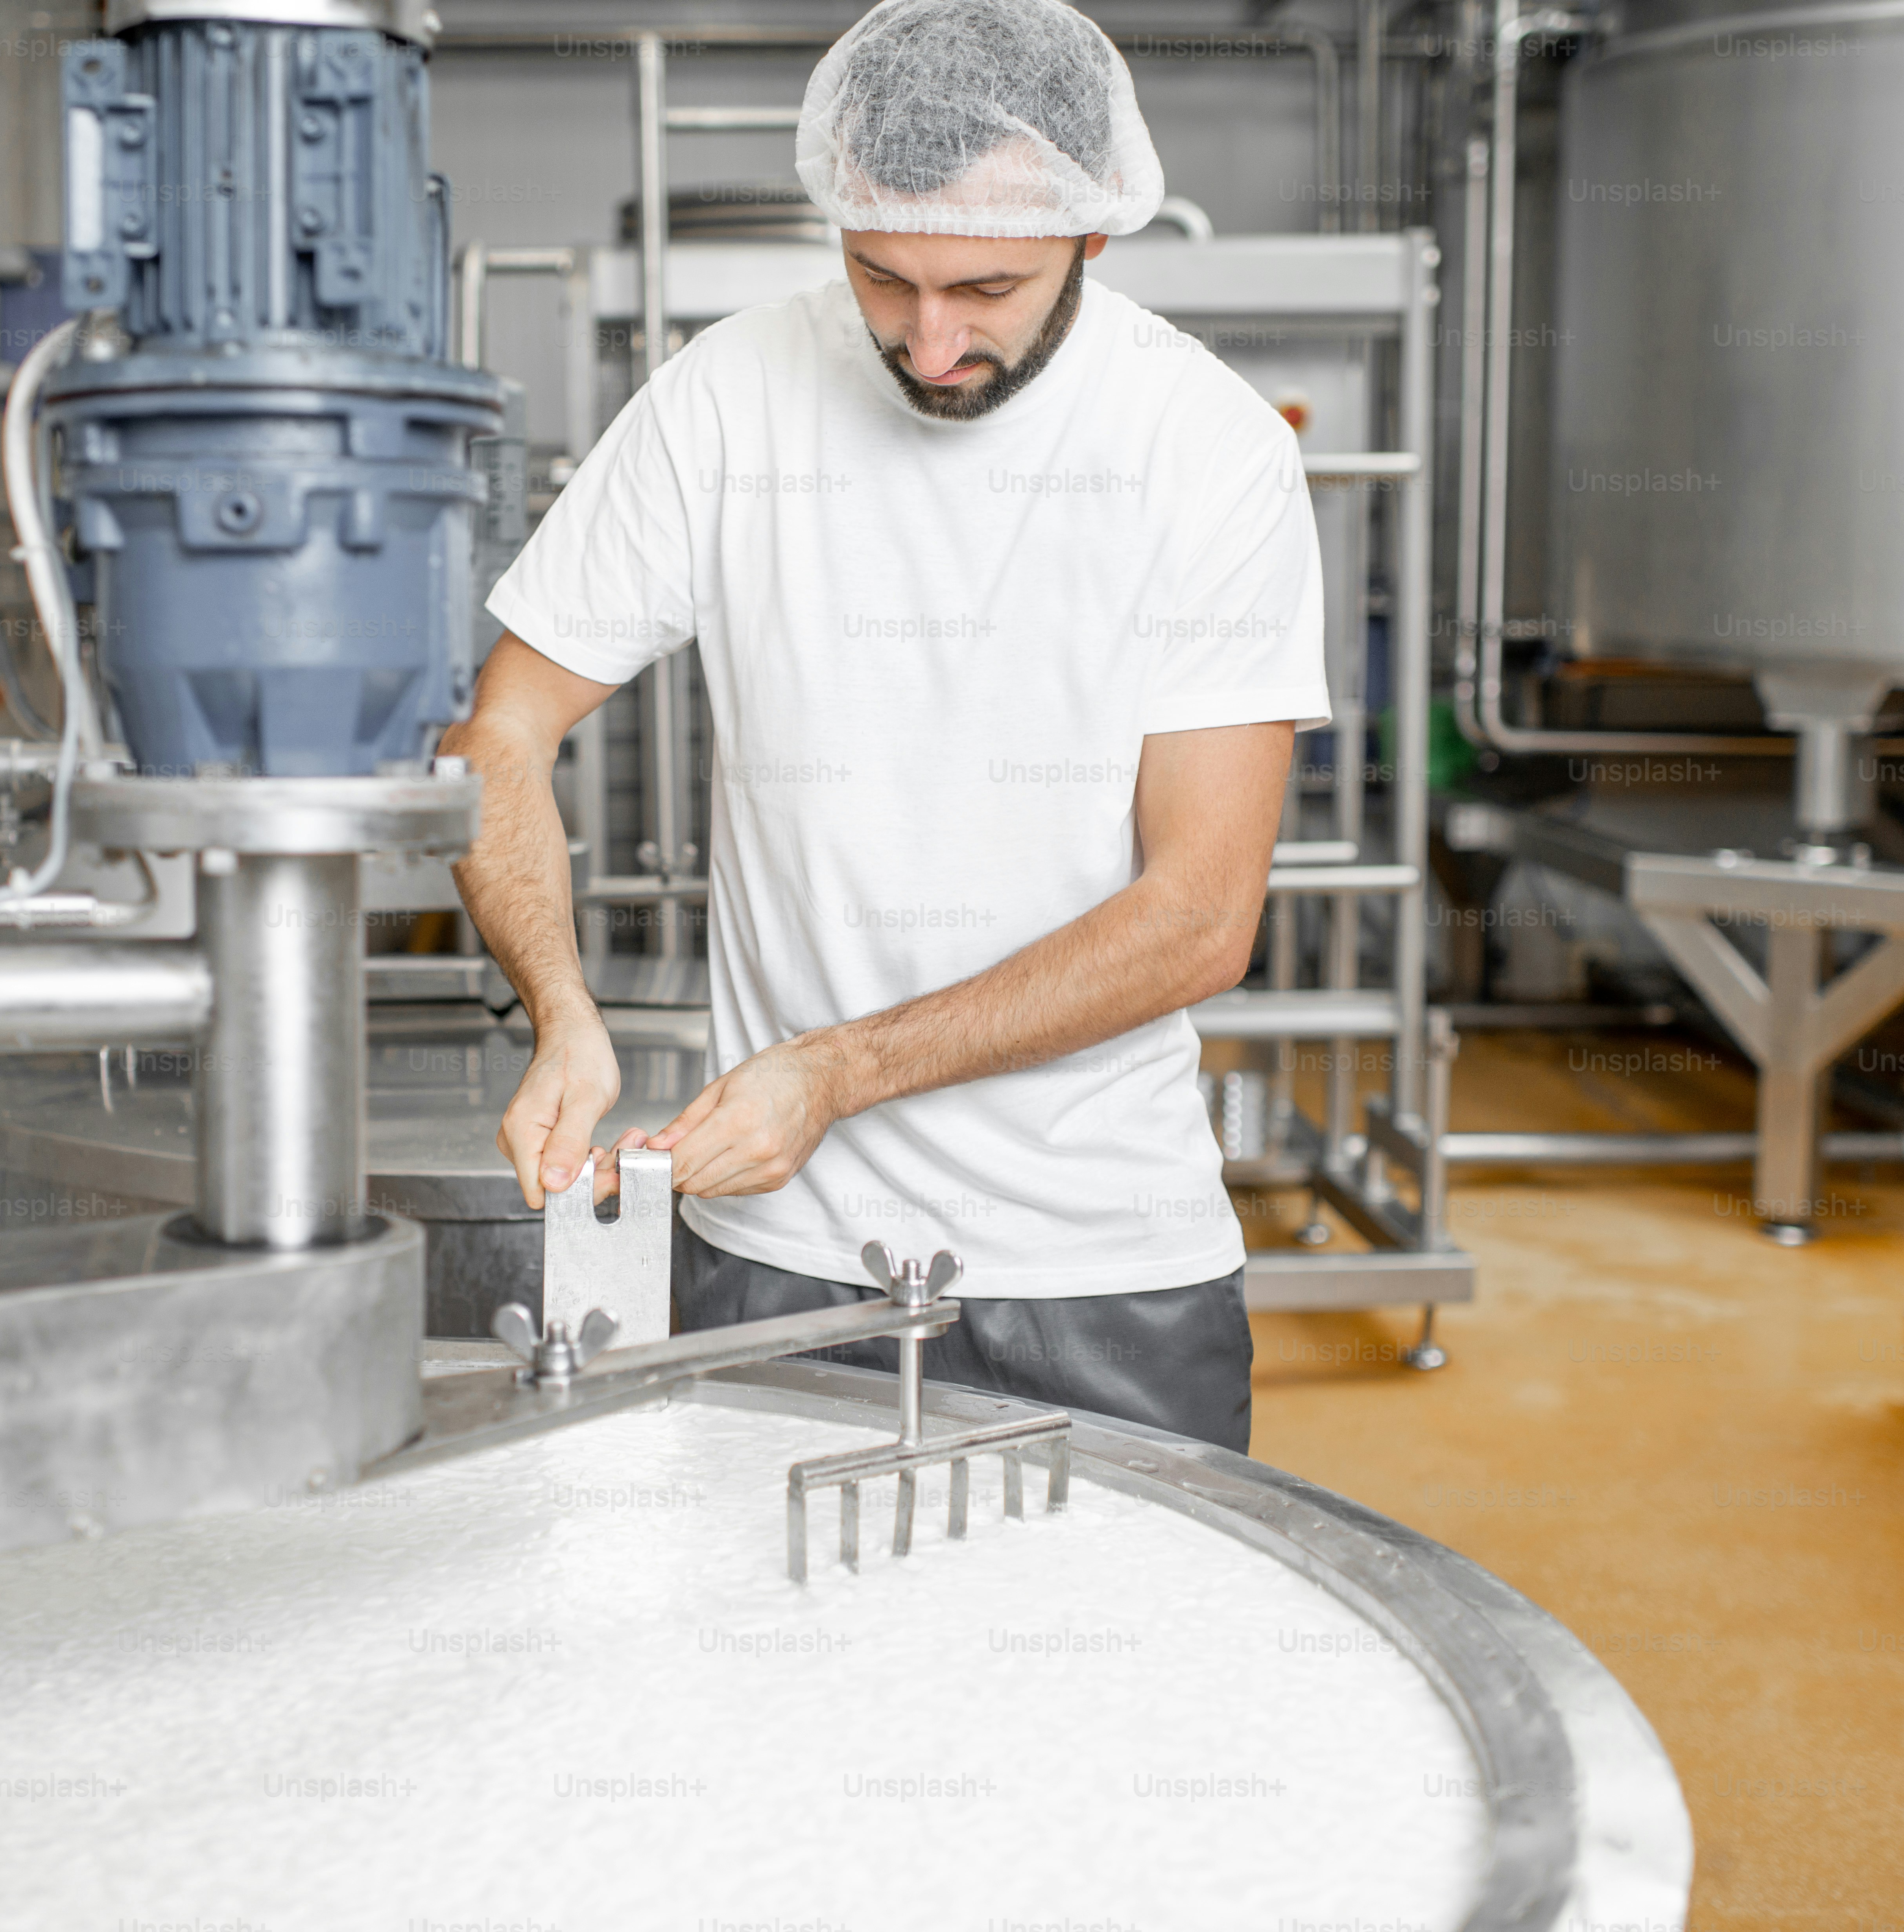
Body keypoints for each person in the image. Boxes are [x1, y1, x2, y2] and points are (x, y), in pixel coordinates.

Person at [439, 0, 1327, 1450]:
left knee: (1127, 1677)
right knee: (761, 1666)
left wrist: (839, 1072)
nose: (929, 340)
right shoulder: (724, 402)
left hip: (1098, 1264)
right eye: (881, 277)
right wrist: (562, 1013)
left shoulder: (1207, 452)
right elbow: (499, 736)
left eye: (987, 286)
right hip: (772, 1246)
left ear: (1092, 239)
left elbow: (1199, 919)